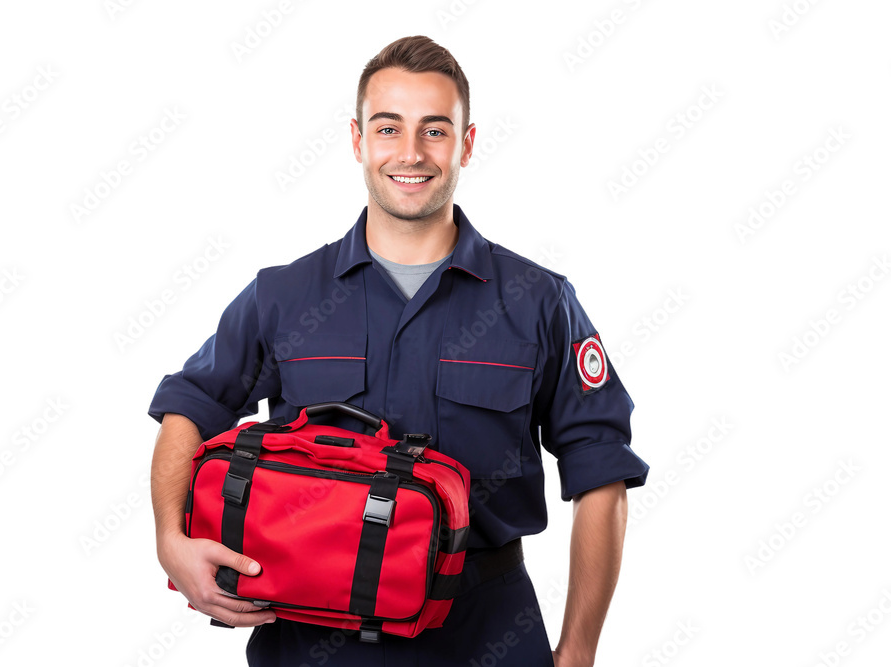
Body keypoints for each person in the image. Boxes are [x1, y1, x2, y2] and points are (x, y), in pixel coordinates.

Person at [148, 35, 649, 667]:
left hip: (486, 636)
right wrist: (171, 540)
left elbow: (601, 469)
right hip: (310, 644)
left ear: (465, 144)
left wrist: (579, 650)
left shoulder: (538, 300)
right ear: (358, 140)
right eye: (389, 128)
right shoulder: (284, 295)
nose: (410, 153)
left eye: (434, 131)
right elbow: (190, 406)